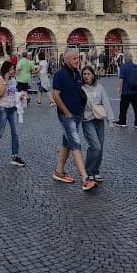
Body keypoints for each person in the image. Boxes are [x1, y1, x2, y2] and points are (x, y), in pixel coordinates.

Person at [51, 49, 97, 191]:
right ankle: (85, 178)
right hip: (67, 116)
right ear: (66, 60)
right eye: (74, 58)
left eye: (78, 58)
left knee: (67, 142)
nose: (77, 60)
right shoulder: (59, 74)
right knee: (76, 144)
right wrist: (66, 112)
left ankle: (59, 172)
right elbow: (55, 95)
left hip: (77, 114)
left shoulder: (76, 72)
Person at [0, 60, 27, 167]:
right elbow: (1, 92)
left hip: (13, 109)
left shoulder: (14, 80)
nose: (13, 71)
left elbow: (13, 93)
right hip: (2, 109)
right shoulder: (0, 79)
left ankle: (15, 157)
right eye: (11, 69)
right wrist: (6, 80)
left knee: (15, 133)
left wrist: (21, 95)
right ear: (6, 70)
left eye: (13, 69)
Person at [80, 65, 115, 182]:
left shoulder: (99, 87)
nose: (86, 76)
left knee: (100, 147)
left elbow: (106, 103)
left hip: (99, 119)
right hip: (87, 120)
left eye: (88, 74)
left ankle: (96, 171)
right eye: (84, 74)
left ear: (93, 75)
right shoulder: (80, 88)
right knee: (95, 146)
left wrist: (111, 121)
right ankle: (88, 171)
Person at [115, 52, 137, 128]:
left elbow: (121, 79)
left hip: (126, 90)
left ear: (125, 58)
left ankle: (122, 122)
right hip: (136, 90)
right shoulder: (136, 66)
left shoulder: (123, 67)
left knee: (123, 107)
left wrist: (119, 88)